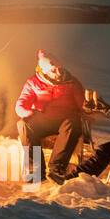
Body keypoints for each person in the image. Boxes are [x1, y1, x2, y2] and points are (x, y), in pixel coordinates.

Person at [14, 50, 85, 183]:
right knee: (23, 124)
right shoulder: (33, 83)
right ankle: (35, 171)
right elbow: (21, 103)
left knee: (74, 123)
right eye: (53, 70)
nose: (58, 73)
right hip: (43, 118)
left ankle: (56, 168)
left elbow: (83, 105)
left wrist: (88, 108)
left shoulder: (72, 83)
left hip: (65, 119)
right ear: (45, 70)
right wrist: (27, 112)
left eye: (59, 69)